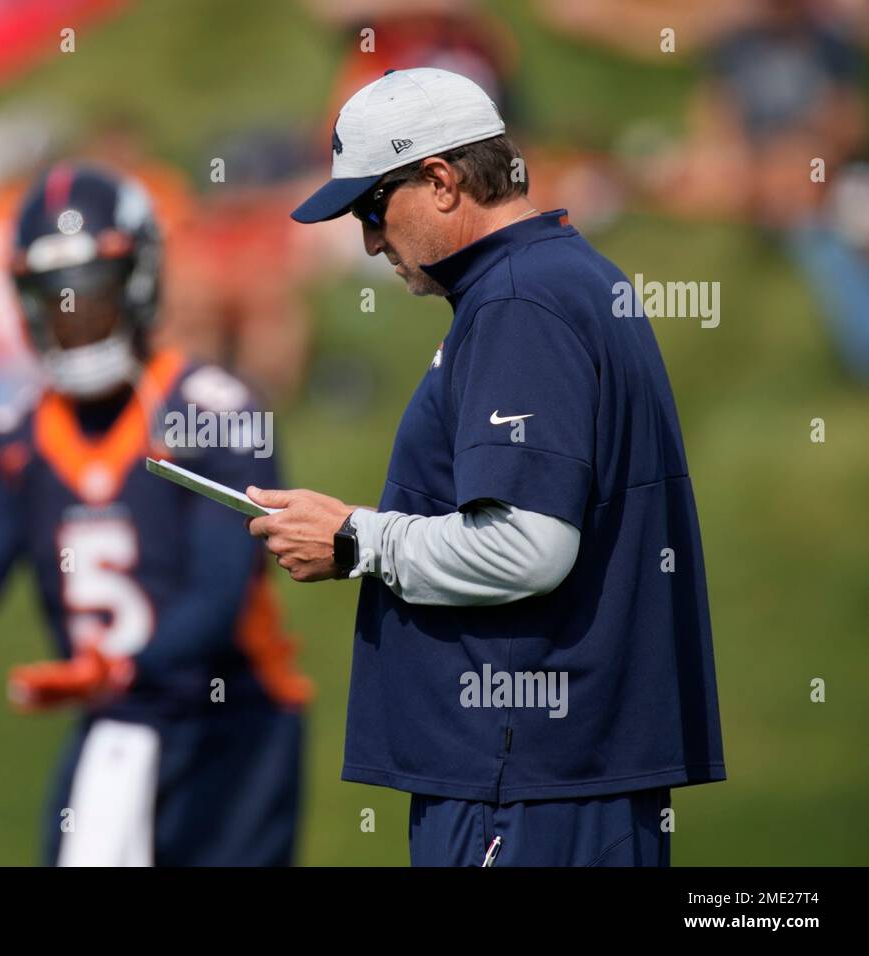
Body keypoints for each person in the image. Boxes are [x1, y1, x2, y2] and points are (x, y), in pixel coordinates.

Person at [249, 67, 725, 866]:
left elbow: (528, 547)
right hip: (569, 778)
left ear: (440, 181)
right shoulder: (564, 278)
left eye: (372, 208)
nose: (369, 240)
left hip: (527, 781)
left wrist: (356, 541)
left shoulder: (516, 302)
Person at [0, 163, 310, 866]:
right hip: (115, 718)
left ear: (136, 284)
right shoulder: (17, 433)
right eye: (54, 300)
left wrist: (125, 666)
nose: (71, 318)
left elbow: (220, 592)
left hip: (230, 718)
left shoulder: (214, 413)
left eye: (88, 297)